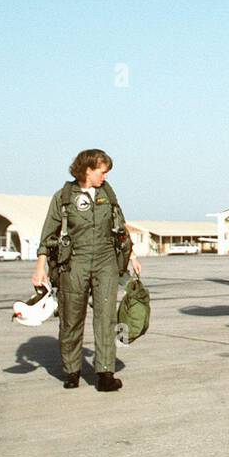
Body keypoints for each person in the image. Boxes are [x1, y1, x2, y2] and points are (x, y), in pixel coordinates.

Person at [32, 149, 141, 391]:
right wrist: (40, 267)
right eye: (102, 171)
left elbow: (120, 227)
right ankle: (72, 370)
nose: (105, 176)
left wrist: (131, 254)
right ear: (87, 169)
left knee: (106, 317)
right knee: (71, 318)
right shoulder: (63, 197)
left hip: (105, 261)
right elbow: (47, 235)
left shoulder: (108, 195)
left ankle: (104, 373)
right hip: (74, 262)